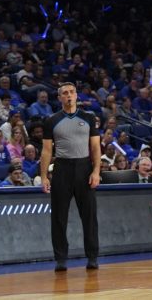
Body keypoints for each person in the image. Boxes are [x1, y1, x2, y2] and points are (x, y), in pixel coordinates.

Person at [40, 82, 101, 272]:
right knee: (59, 217)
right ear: (59, 98)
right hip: (62, 168)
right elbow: (46, 150)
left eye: (72, 92)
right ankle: (61, 259)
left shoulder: (89, 118)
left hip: (84, 168)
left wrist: (96, 171)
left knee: (89, 216)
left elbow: (96, 147)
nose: (69, 95)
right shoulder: (52, 120)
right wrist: (44, 176)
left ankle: (92, 257)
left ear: (76, 96)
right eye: (65, 93)